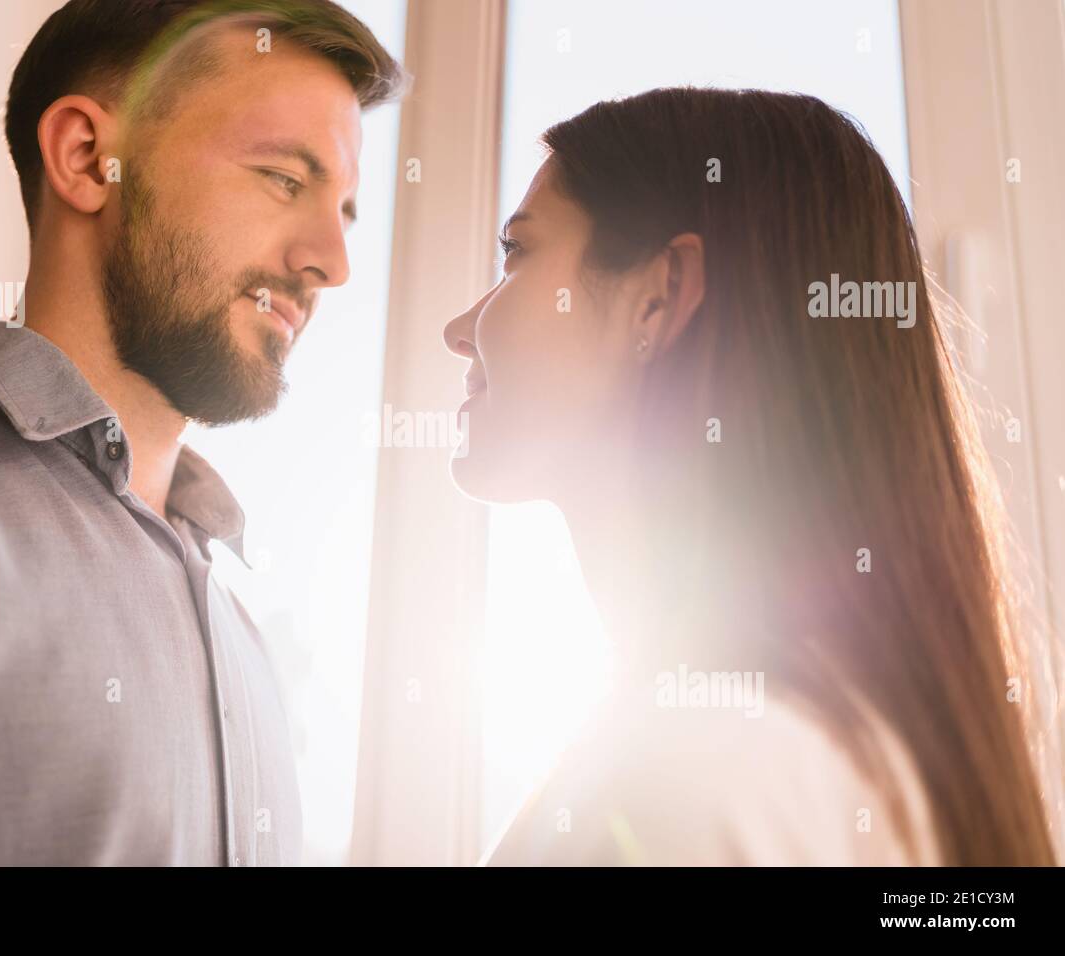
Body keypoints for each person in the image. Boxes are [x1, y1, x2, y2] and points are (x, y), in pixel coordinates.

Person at [0, 0, 404, 865]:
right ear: (85, 157)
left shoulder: (247, 650)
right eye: (285, 181)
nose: (331, 261)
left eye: (346, 210)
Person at [442, 88, 1058, 866]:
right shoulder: (821, 756)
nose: (459, 331)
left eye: (518, 253)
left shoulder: (695, 781)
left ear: (658, 298)